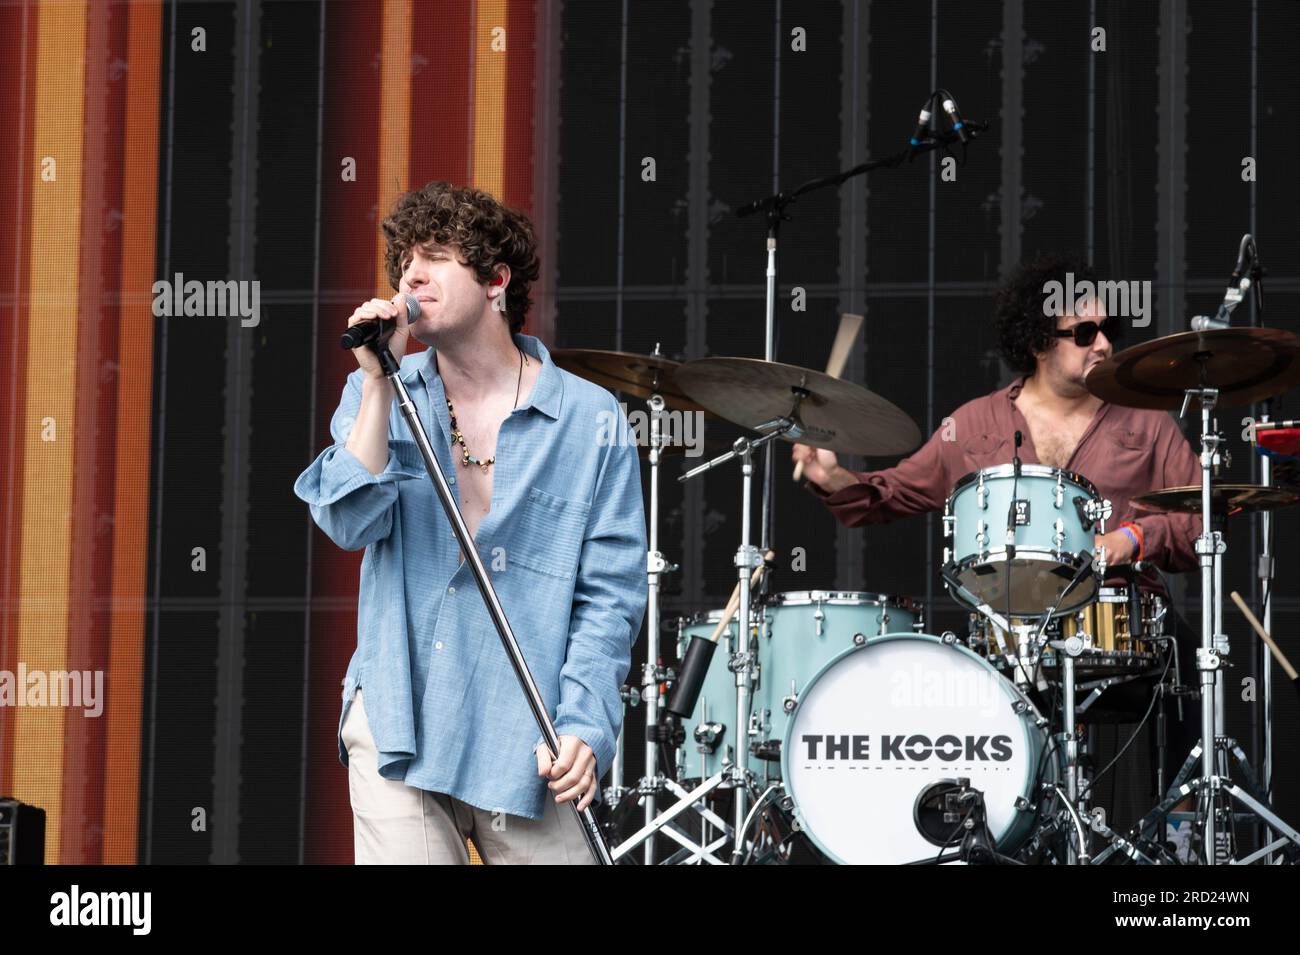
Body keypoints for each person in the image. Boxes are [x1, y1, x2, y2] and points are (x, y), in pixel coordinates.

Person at [294, 182, 646, 864]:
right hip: (400, 712)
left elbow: (610, 596)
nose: (410, 274)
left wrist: (585, 724)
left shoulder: (590, 418)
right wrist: (374, 382)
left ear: (496, 280)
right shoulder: (385, 391)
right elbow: (347, 517)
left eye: (435, 257)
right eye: (403, 261)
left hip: (527, 734)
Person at [792, 255, 1203, 801]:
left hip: (1126, 617)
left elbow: (1200, 519)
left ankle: (1183, 837)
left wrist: (1131, 539)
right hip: (1011, 629)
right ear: (1038, 342)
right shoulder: (974, 424)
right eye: (1083, 333)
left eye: (1108, 330)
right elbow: (888, 494)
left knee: (1197, 664)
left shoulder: (1147, 421)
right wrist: (833, 474)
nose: (1102, 344)